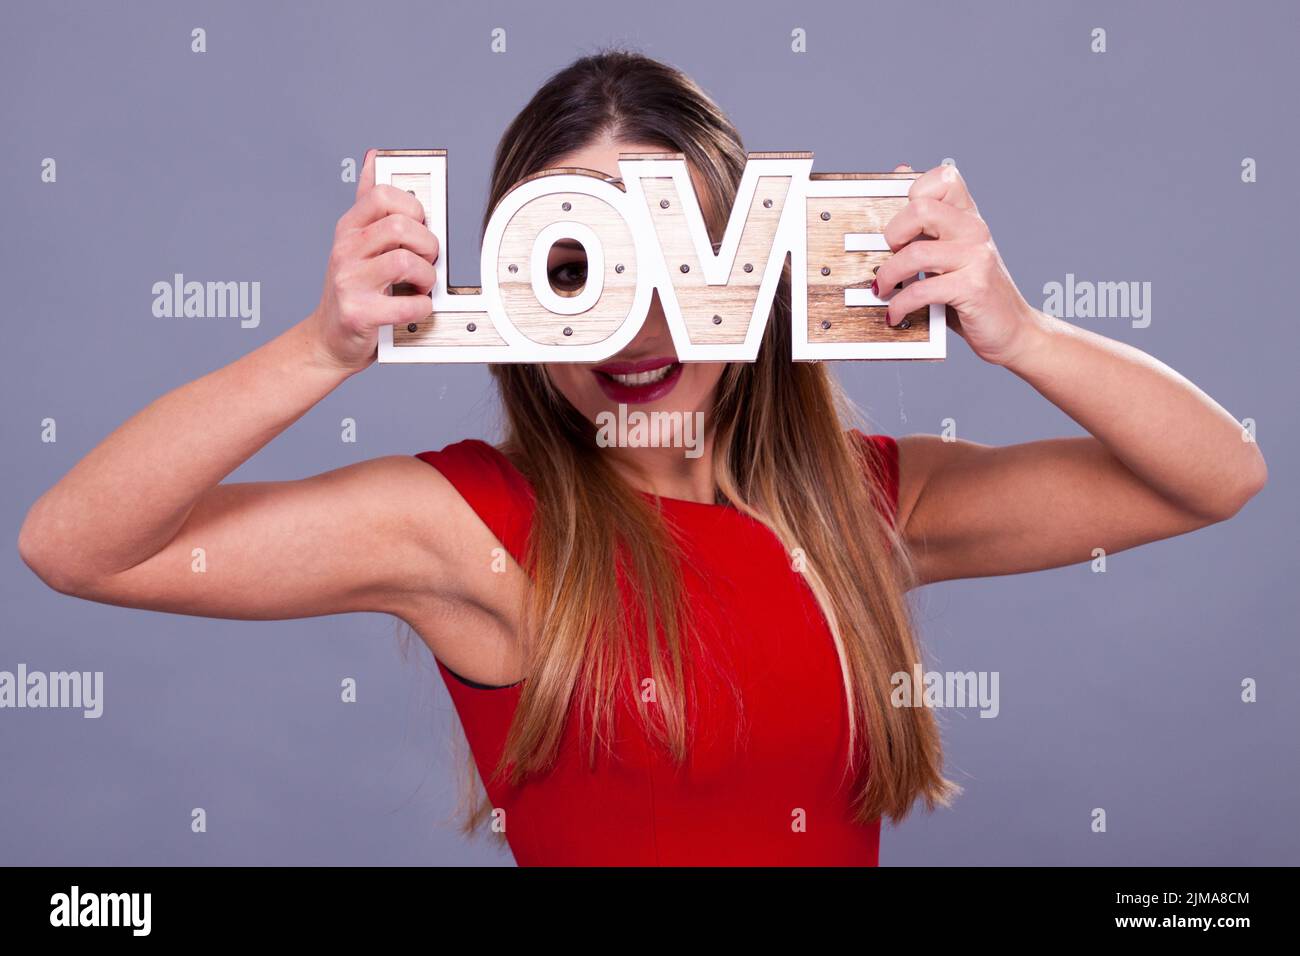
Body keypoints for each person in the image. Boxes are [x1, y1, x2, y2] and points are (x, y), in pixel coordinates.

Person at [17, 50, 1266, 866]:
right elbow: (74, 544)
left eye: (673, 264)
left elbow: (1216, 475)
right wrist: (322, 347)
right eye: (574, 269)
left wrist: (1023, 332)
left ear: (750, 269)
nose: (632, 324)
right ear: (513, 287)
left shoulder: (866, 502)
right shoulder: (466, 528)